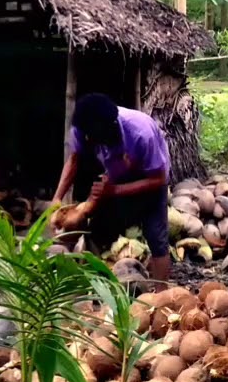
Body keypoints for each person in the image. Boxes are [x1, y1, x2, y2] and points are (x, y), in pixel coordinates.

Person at [52, 93, 171, 281]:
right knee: (99, 231)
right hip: (116, 177)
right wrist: (57, 198)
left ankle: (160, 295)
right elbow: (74, 160)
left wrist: (113, 191)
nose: (96, 143)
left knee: (156, 237)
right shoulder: (83, 129)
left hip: (150, 178)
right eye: (92, 139)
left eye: (101, 139)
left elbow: (159, 179)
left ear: (112, 127)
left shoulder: (141, 132)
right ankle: (95, 284)